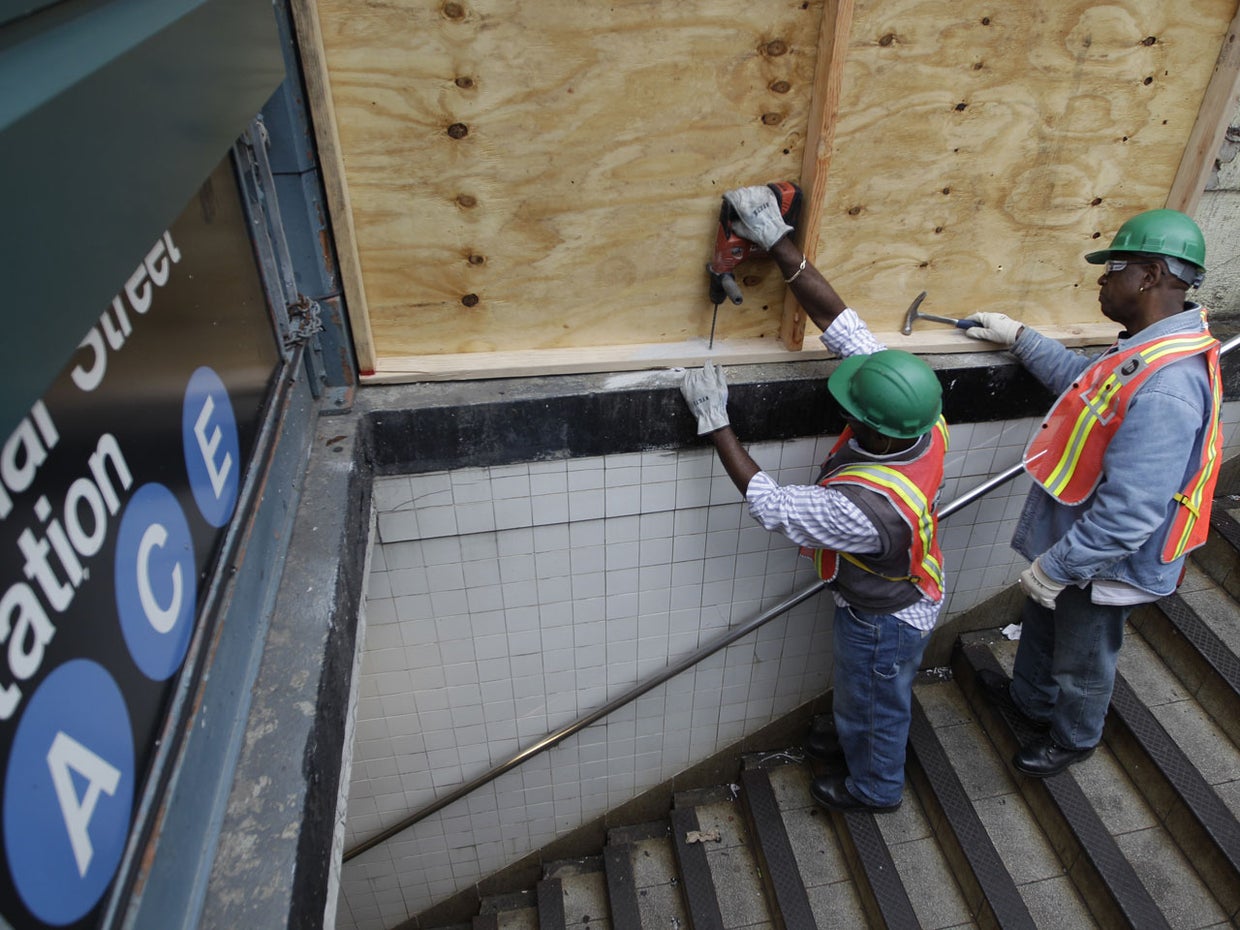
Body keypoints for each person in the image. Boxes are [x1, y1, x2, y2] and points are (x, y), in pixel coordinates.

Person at [680, 184, 949, 813]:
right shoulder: (920, 417)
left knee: (876, 696)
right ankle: (861, 731)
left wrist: (715, 423)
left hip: (885, 618)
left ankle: (875, 787)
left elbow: (772, 505)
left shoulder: (867, 509)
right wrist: (777, 239)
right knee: (868, 694)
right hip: (910, 587)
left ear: (875, 426)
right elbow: (842, 324)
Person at [963, 208, 1224, 778]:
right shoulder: (1147, 348)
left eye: (1114, 269)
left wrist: (1060, 565)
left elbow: (1130, 514)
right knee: (1041, 624)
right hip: (1077, 540)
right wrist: (1021, 339)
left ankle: (1074, 736)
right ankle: (1029, 703)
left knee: (1082, 655)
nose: (1103, 281)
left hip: (1105, 559)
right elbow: (1087, 389)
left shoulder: (1168, 387)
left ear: (1151, 275)